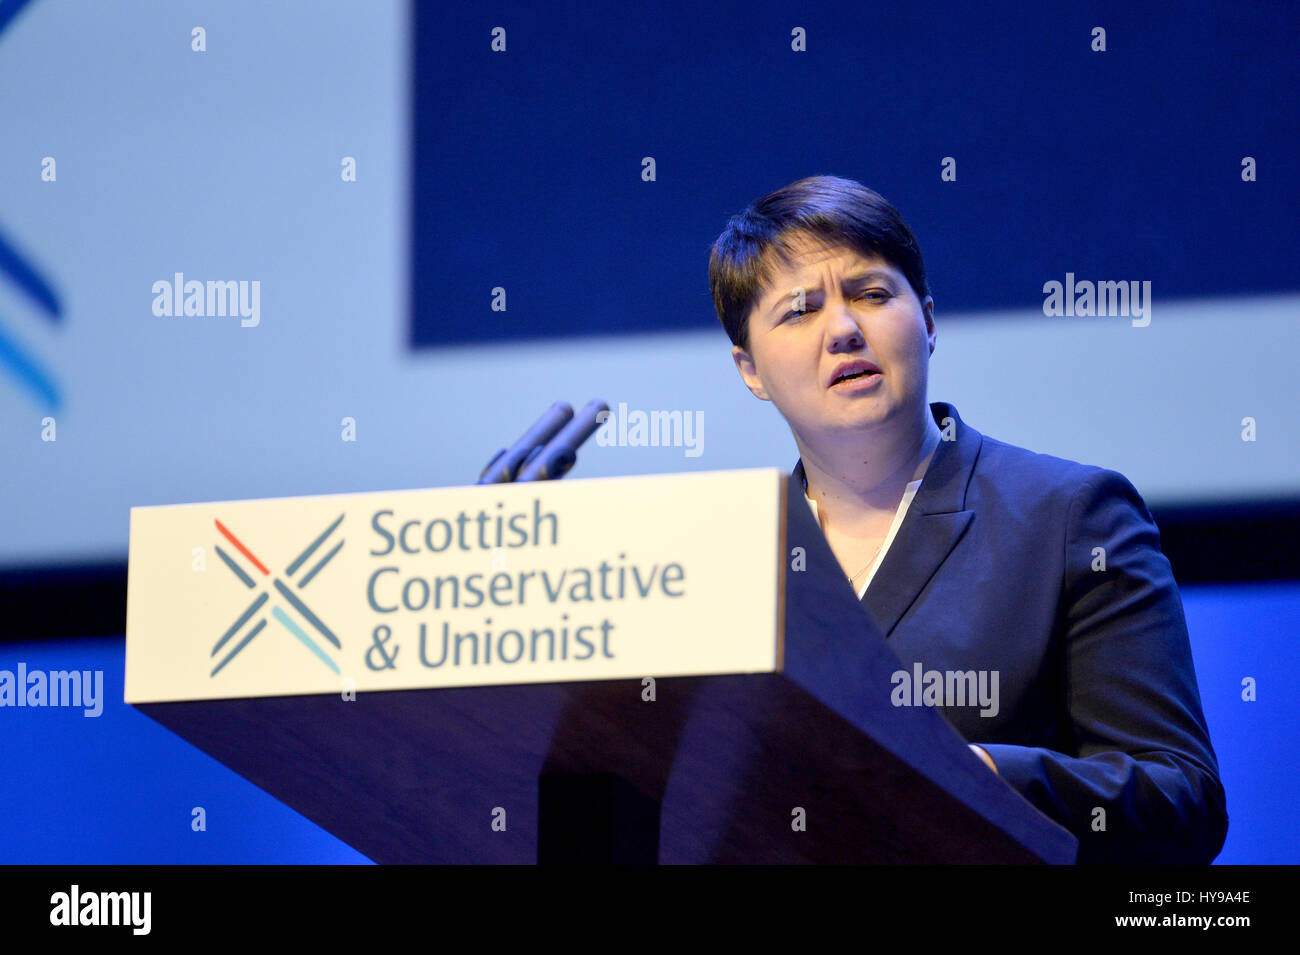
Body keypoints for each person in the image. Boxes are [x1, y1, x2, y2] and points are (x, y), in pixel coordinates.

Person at [707, 174, 1228, 864]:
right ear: (750, 369)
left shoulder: (1072, 516)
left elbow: (1183, 799)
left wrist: (982, 777)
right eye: (800, 310)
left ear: (926, 319)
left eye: (871, 293)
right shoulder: (728, 559)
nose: (843, 329)